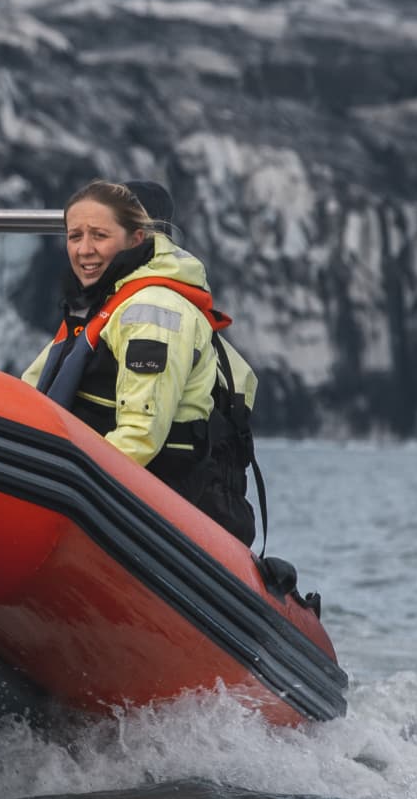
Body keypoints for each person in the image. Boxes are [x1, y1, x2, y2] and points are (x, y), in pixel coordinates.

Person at [22, 178, 256, 542]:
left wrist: (58, 486)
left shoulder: (151, 310)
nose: (84, 250)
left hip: (163, 507)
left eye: (99, 236)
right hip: (115, 496)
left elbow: (140, 435)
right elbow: (26, 396)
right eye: (74, 236)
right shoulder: (102, 308)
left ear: (136, 239)